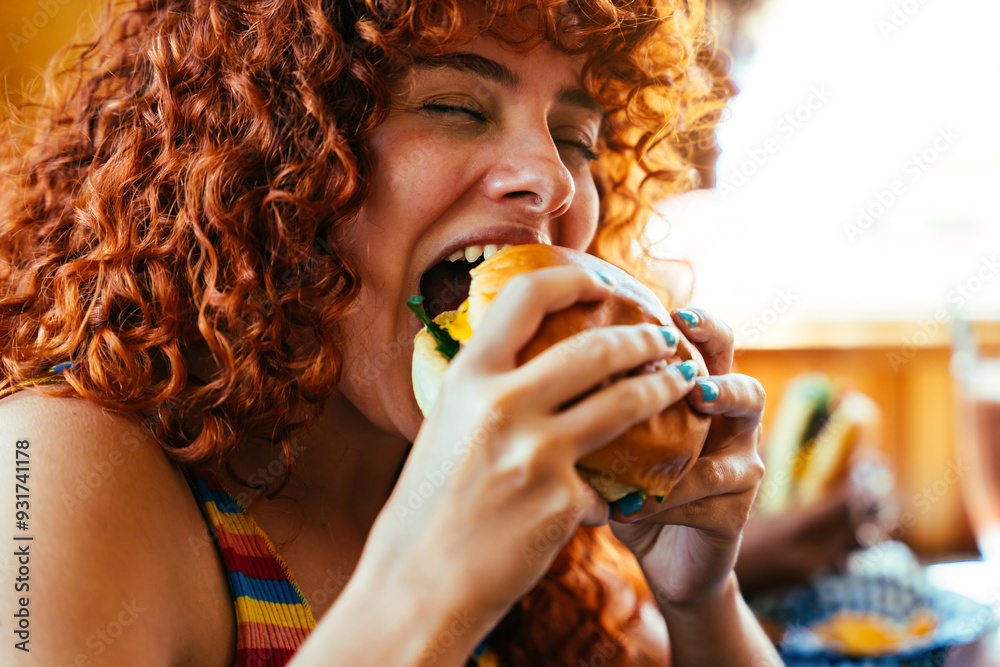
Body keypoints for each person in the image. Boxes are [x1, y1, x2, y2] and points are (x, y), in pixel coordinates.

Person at [0, 0, 782, 665]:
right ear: (271, 157)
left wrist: (701, 600)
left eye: (576, 139)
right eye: (457, 107)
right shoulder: (51, 466)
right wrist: (432, 586)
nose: (552, 178)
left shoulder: (535, 501)